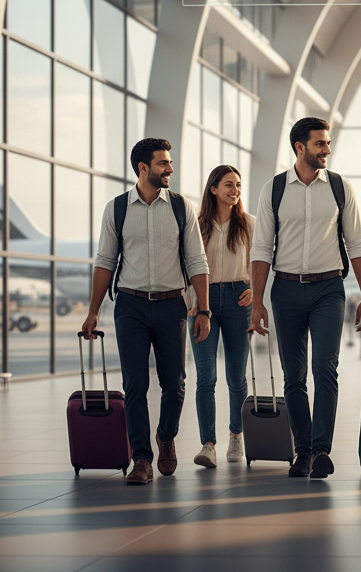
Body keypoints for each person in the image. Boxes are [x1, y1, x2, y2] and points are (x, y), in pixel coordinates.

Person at [81, 139, 210, 485]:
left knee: (175, 384)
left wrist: (204, 310)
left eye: (169, 163)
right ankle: (141, 458)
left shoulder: (182, 208)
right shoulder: (117, 208)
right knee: (134, 385)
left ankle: (165, 437)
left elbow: (197, 261)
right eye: (163, 164)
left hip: (172, 305)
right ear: (142, 168)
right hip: (131, 306)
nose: (170, 169)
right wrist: (93, 311)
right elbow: (105, 262)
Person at [250, 117, 361, 479]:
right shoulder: (274, 190)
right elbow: (261, 248)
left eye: (328, 143)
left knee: (325, 369)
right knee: (294, 376)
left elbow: (357, 243)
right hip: (285, 289)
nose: (327, 150)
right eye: (320, 143)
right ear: (299, 147)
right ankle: (301, 450)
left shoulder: (339, 188)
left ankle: (321, 449)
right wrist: (257, 302)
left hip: (328, 290)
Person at [186, 165, 254, 468]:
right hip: (204, 301)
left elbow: (263, 259)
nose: (235, 190)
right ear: (213, 188)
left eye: (238, 185)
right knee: (206, 377)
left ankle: (236, 435)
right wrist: (193, 300)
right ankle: (208, 444)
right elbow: (186, 265)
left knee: (236, 378)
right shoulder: (196, 225)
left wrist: (255, 289)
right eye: (228, 184)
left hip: (240, 299)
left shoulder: (249, 224)